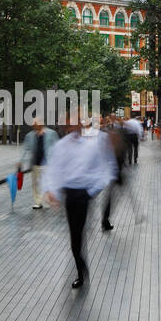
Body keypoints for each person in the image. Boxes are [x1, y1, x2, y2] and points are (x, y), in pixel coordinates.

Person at [44, 119, 117, 288]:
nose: (72, 129)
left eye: (75, 125)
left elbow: (104, 169)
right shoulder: (61, 146)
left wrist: (91, 192)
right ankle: (81, 266)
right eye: (69, 126)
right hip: (69, 195)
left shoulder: (91, 144)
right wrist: (52, 191)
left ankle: (80, 272)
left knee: (78, 234)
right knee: (74, 238)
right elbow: (54, 169)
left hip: (83, 194)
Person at [18, 119, 58, 210]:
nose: (33, 125)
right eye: (33, 124)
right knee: (35, 184)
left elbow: (57, 146)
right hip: (35, 163)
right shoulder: (30, 135)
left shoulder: (51, 133)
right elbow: (25, 148)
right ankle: (38, 202)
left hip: (47, 163)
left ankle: (47, 199)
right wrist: (21, 160)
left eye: (35, 123)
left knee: (46, 182)